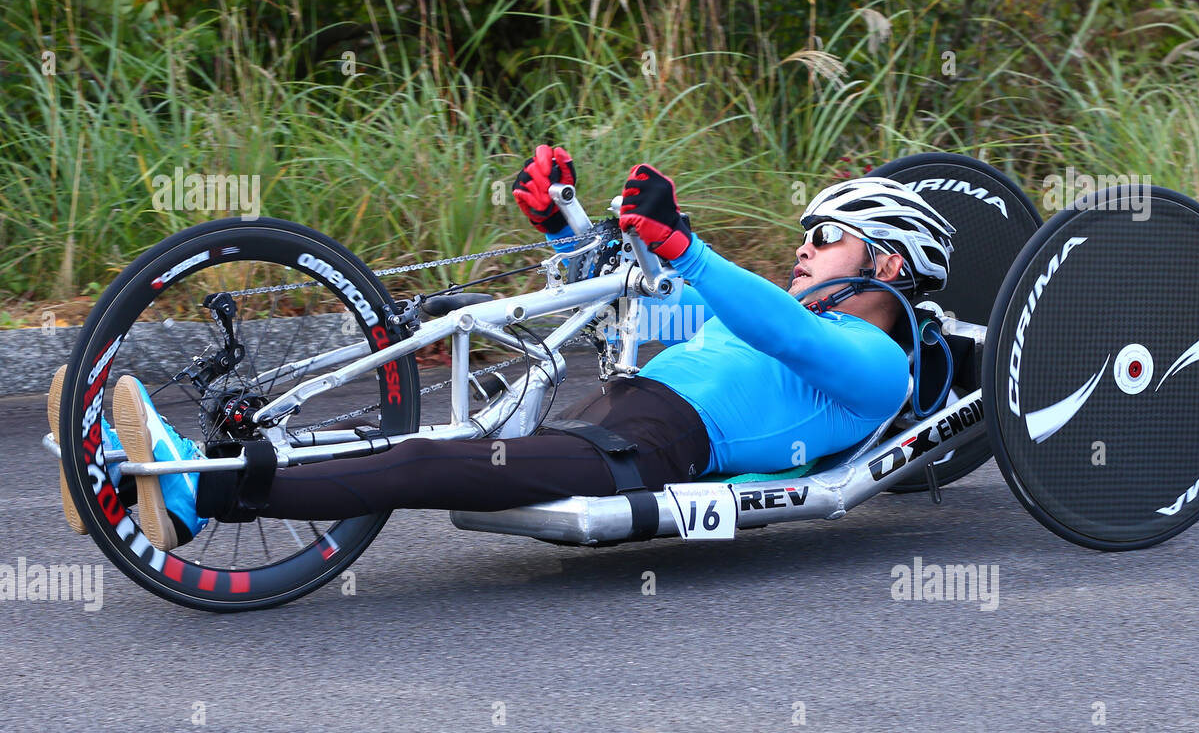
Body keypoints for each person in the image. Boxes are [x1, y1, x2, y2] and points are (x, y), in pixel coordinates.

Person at [52, 146, 955, 551]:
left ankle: (199, 489)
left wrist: (687, 244)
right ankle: (177, 488)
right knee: (411, 405)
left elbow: (784, 329)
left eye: (825, 235)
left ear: (884, 261)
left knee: (415, 463)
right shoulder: (745, 315)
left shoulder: (879, 364)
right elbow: (643, 315)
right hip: (613, 415)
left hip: (646, 454)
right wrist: (565, 230)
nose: (802, 247)